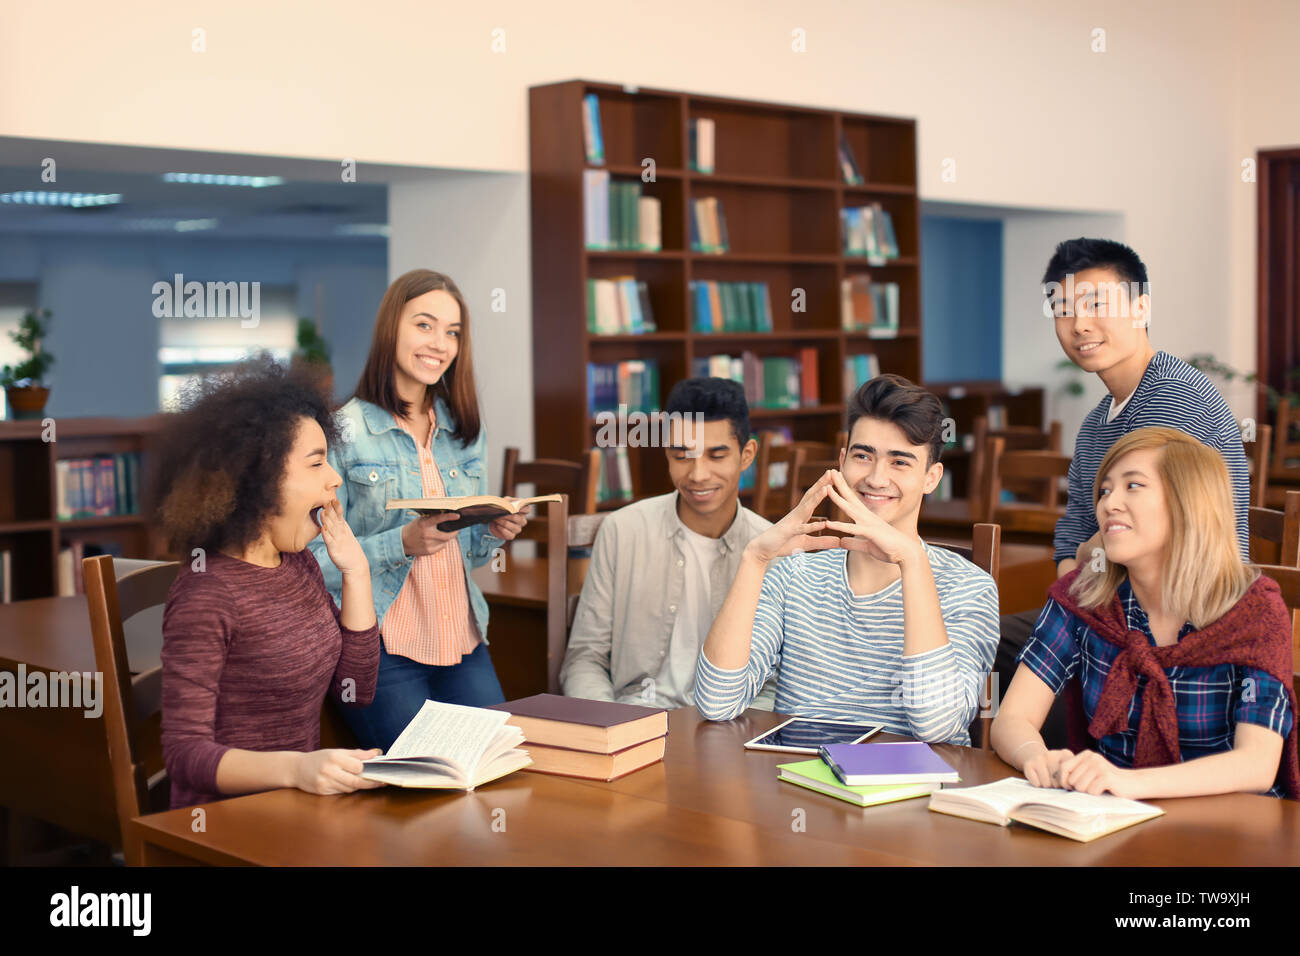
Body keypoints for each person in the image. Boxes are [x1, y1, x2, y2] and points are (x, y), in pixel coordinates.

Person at [995, 238, 1252, 745]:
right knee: (992, 637)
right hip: (1116, 600)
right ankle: (1056, 770)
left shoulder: (1174, 397)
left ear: (1141, 307)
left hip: (1191, 605)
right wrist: (1076, 600)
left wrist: (1084, 582)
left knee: (1009, 648)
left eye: (1096, 305)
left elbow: (1128, 533)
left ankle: (1086, 770)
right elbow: (1074, 535)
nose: (1079, 325)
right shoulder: (1096, 423)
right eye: (1063, 310)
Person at [992, 427, 1299, 799]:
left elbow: (1257, 764)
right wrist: (1037, 758)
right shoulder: (1083, 595)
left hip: (1228, 826)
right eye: (1105, 490)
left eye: (1132, 486)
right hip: (1111, 820)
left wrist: (1129, 783)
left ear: (1189, 502)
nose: (1109, 504)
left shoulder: (1254, 611)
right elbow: (1012, 719)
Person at [694, 374, 999, 742]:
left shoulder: (971, 588)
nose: (875, 477)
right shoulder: (795, 574)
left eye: (899, 462)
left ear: (931, 477)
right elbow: (716, 702)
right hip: (802, 783)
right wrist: (755, 557)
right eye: (862, 456)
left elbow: (937, 726)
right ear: (842, 461)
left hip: (911, 791)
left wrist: (912, 562)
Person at [309, 269, 528, 752]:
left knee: (496, 763)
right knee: (428, 781)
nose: (440, 343)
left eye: (452, 332)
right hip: (380, 645)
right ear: (392, 328)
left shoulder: (463, 427)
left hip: (462, 635)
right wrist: (400, 543)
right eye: (424, 325)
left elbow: (463, 553)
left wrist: (492, 530)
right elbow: (311, 563)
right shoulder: (341, 431)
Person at [156, 356, 384, 808]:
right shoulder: (207, 595)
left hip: (294, 806)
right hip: (225, 822)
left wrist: (357, 574)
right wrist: (296, 769)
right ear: (258, 477)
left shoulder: (297, 564)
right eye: (316, 463)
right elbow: (184, 755)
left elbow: (354, 692)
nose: (335, 478)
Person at [561, 377, 777, 709]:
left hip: (728, 730)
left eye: (716, 456)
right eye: (682, 456)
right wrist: (610, 725)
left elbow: (775, 683)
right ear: (667, 453)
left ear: (746, 455)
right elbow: (585, 657)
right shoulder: (622, 530)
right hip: (633, 723)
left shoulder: (770, 550)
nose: (698, 474)